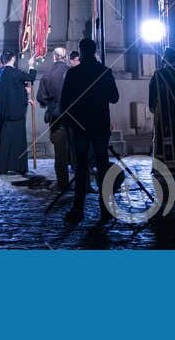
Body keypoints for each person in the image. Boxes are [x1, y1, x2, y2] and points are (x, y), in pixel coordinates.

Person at [58, 37, 119, 222]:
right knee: (102, 165)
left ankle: (78, 208)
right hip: (100, 125)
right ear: (95, 51)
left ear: (81, 51)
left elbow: (64, 103)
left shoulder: (73, 73)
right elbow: (114, 97)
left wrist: (70, 120)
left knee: (81, 167)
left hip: (81, 126)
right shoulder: (105, 71)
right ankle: (106, 207)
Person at [35, 45, 70, 192]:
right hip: (74, 117)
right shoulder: (72, 72)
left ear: (54, 57)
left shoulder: (47, 74)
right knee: (78, 151)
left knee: (60, 153)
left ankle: (63, 182)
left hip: (56, 118)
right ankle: (84, 183)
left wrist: (50, 104)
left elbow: (40, 97)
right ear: (65, 57)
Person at [0, 51, 33, 175]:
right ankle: (18, 166)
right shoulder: (16, 73)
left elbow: (12, 92)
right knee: (18, 142)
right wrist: (31, 65)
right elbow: (31, 77)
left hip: (5, 114)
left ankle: (3, 167)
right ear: (13, 58)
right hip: (16, 114)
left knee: (5, 143)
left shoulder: (2, 74)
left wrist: (25, 94)